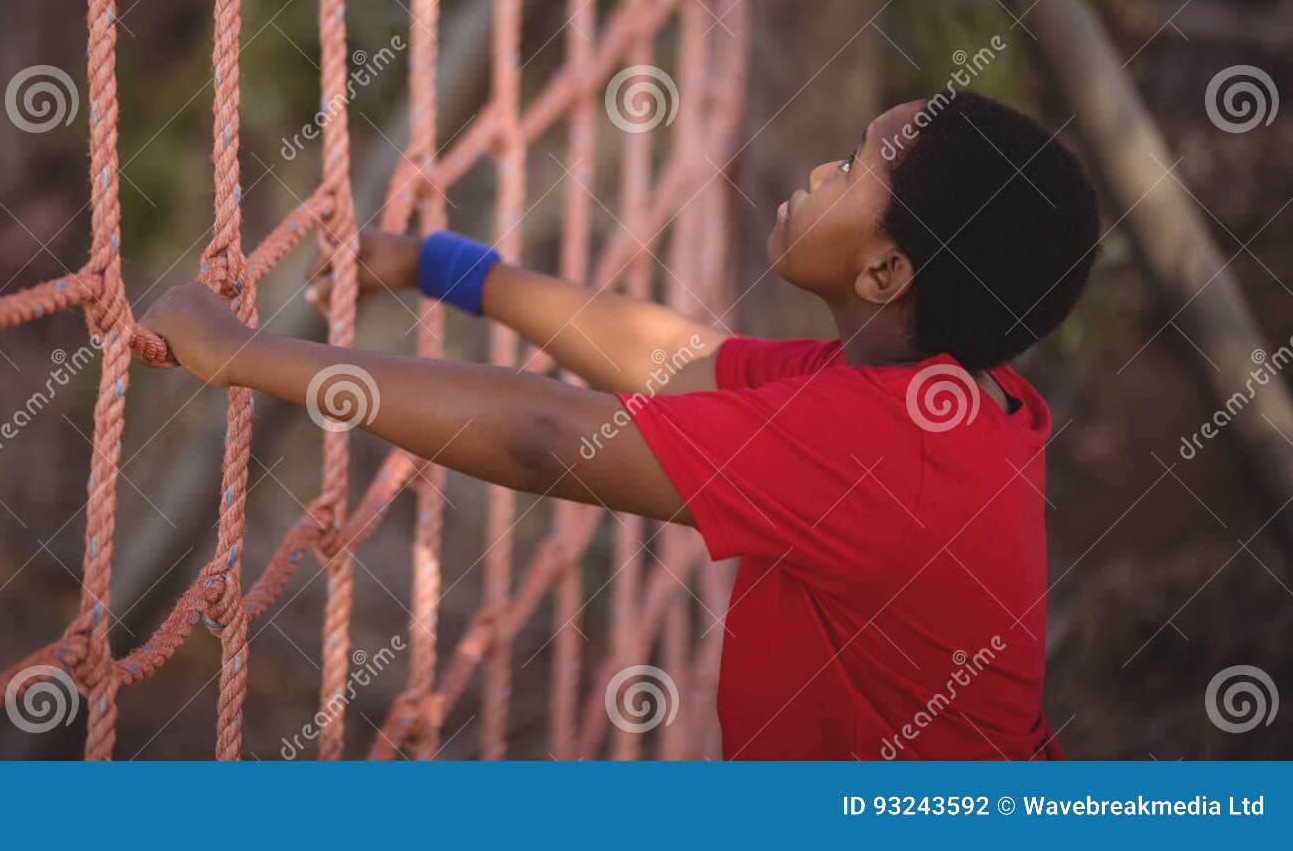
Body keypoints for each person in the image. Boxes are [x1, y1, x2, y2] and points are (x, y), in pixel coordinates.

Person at [141, 92, 1100, 759]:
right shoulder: (926, 393)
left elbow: (546, 438)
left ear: (887, 275)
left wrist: (242, 358)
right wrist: (446, 265)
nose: (819, 167)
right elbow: (671, 362)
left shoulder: (883, 446)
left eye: (850, 167)